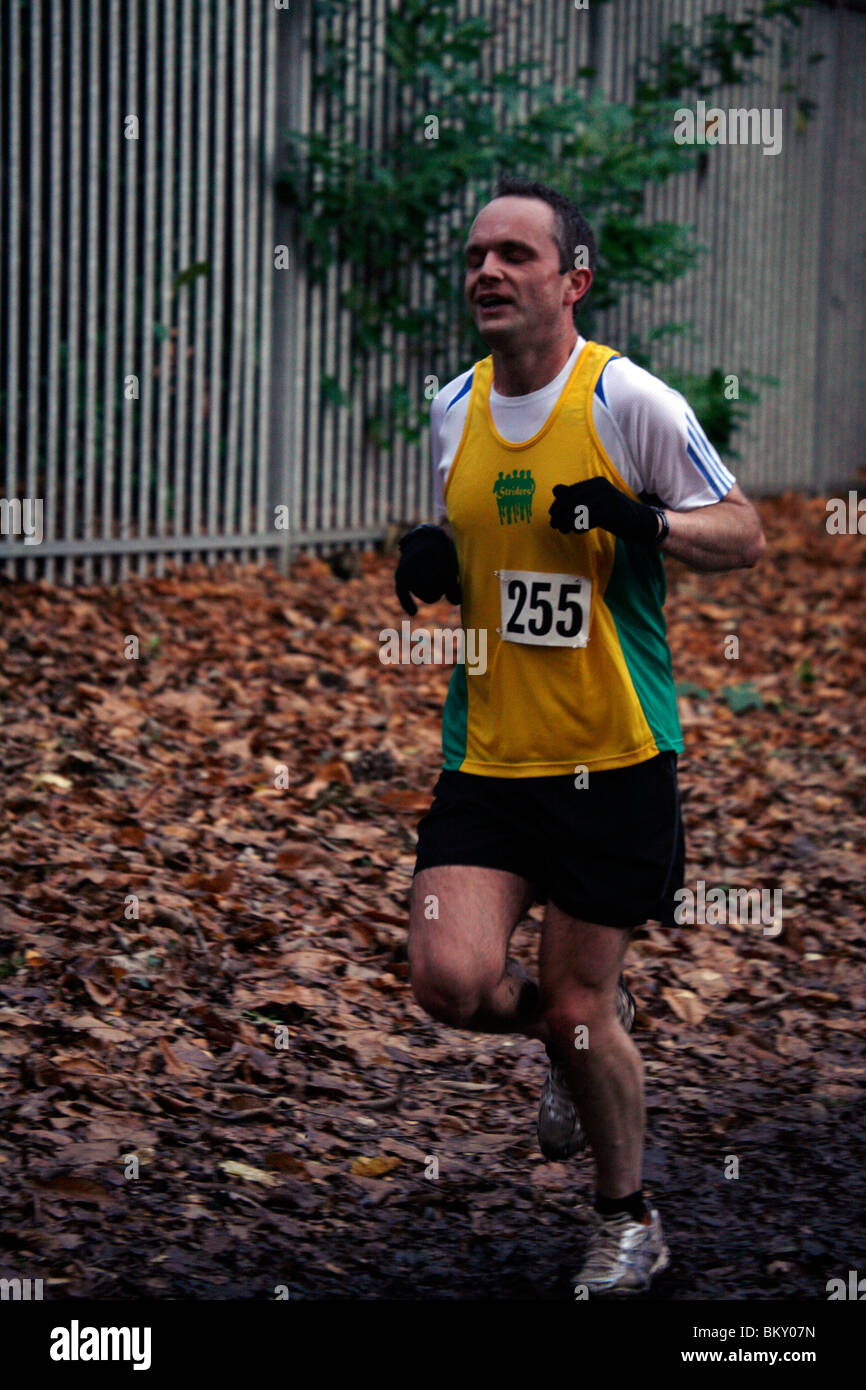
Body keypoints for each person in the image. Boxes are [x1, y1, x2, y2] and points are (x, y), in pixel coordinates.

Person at [395, 177, 765, 1295]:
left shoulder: (626, 401)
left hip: (613, 754)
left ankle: (626, 1216)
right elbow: (485, 543)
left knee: (568, 1006)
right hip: (490, 754)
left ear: (573, 278)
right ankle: (583, 1034)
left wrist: (639, 518)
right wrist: (428, 560)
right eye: (475, 256)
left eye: (515, 254)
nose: (488, 273)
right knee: (446, 981)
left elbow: (739, 532)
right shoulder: (452, 405)